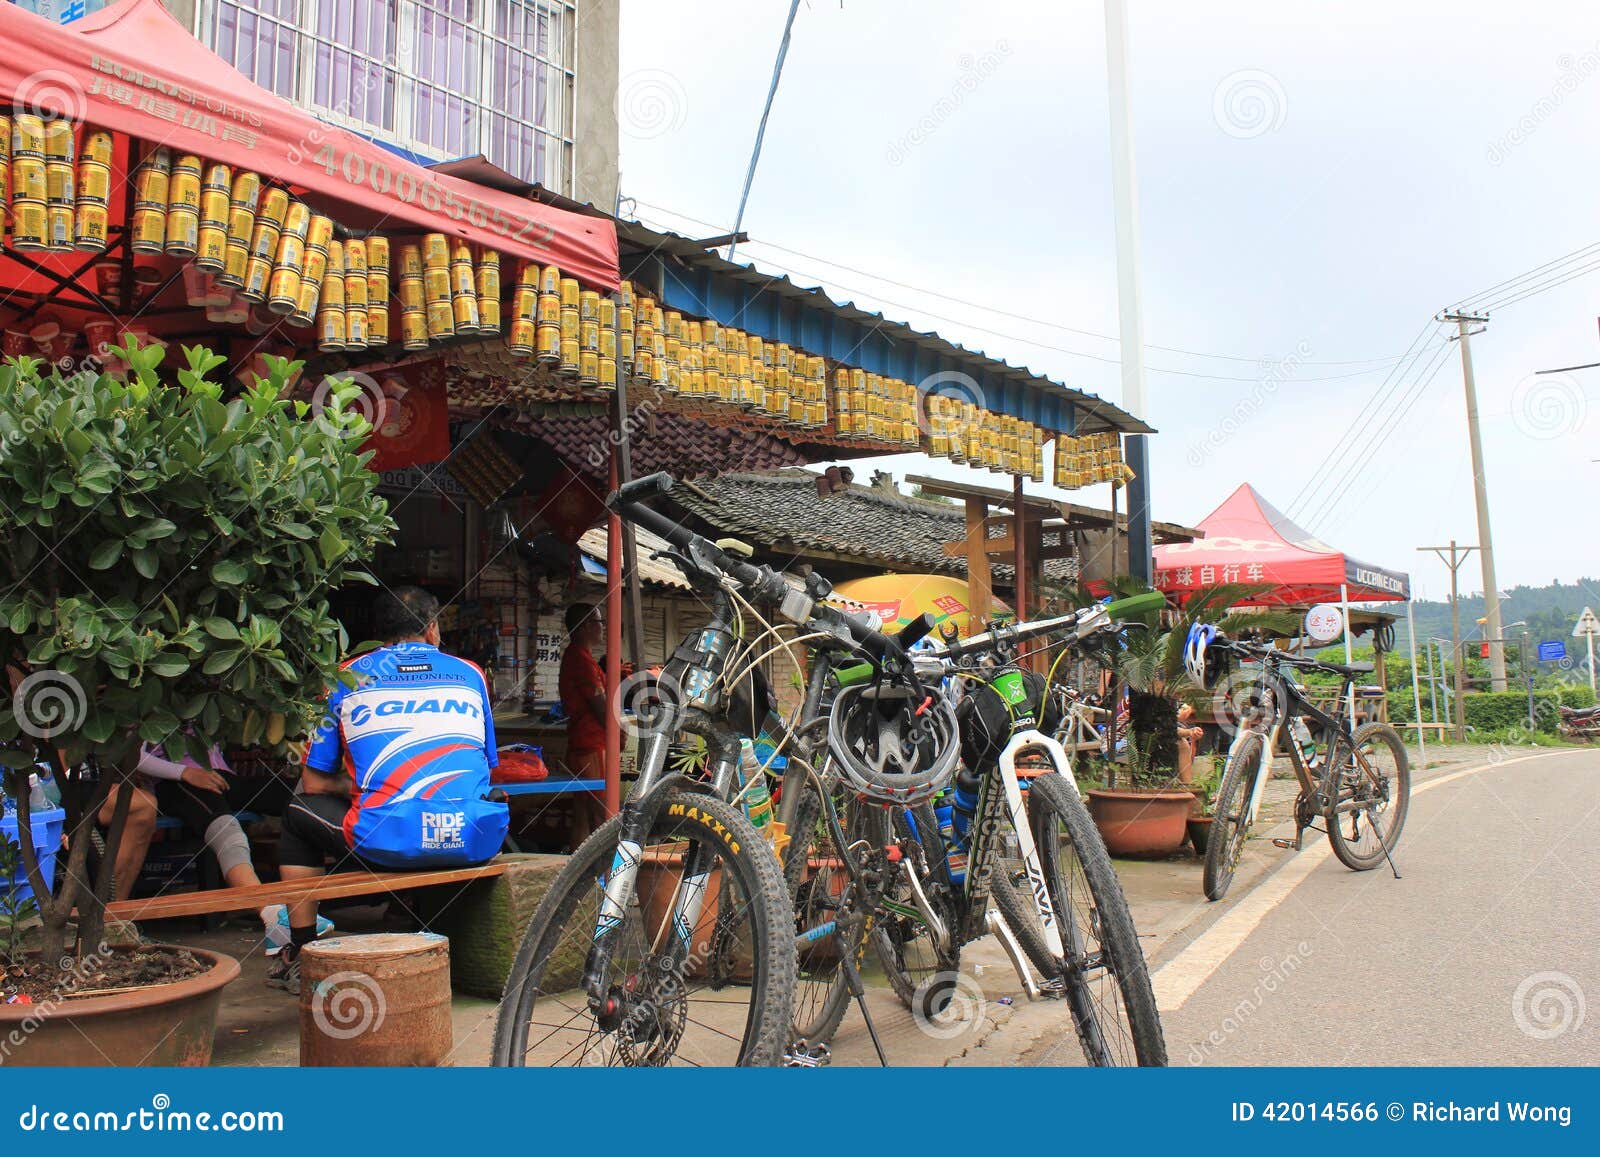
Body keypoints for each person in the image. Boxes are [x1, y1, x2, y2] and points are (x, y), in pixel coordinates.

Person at [267, 585, 508, 994]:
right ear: (432, 628)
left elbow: (313, 783)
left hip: (386, 843)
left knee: (297, 813)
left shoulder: (345, 677)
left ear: (377, 633)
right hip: (474, 839)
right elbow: (487, 765)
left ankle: (301, 951)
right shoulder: (471, 674)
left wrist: (358, 785)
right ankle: (410, 915)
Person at [559, 601, 609, 844]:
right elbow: (600, 707)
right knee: (601, 811)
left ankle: (580, 862)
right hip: (591, 743)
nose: (603, 627)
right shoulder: (581, 660)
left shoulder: (577, 656)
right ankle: (607, 864)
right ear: (586, 626)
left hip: (581, 741)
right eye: (600, 622)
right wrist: (618, 730)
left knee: (583, 811)